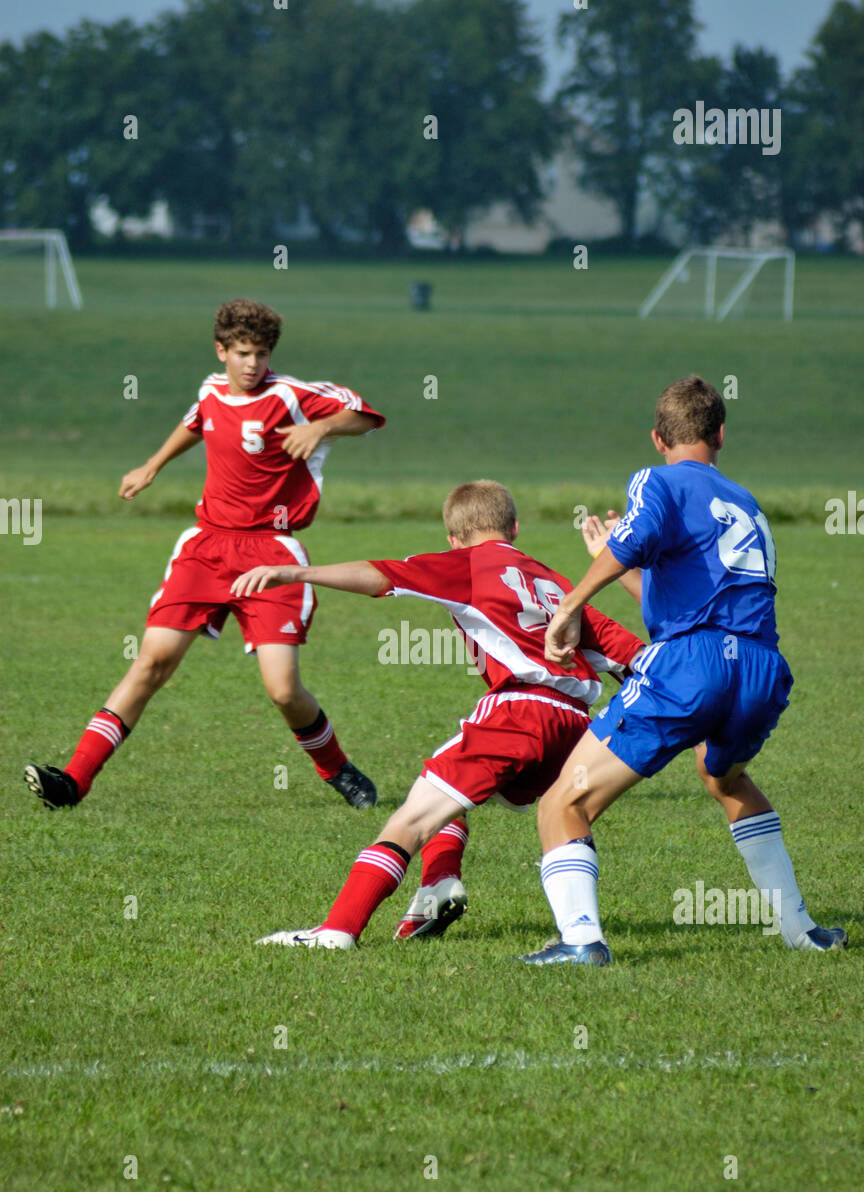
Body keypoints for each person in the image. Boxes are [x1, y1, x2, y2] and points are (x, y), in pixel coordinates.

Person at [229, 479, 644, 950]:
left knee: (411, 819)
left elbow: (379, 576)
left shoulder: (465, 563)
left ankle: (337, 931)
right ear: (515, 527)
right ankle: (446, 887)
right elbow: (628, 654)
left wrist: (297, 574)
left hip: (519, 712)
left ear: (453, 538)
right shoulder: (556, 583)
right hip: (574, 725)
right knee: (467, 796)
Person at [526, 375, 846, 966]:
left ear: (657, 438)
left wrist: (571, 604)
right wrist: (611, 557)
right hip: (759, 669)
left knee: (560, 805)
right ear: (721, 434)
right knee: (724, 779)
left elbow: (641, 536)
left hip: (692, 666)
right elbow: (677, 598)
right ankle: (802, 930)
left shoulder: (656, 480)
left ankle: (580, 941)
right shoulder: (744, 501)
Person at [24, 298, 384, 813]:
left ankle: (337, 769)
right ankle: (74, 781)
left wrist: (321, 427)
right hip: (207, 547)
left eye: (261, 353)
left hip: (271, 554)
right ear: (221, 351)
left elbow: (368, 416)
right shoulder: (212, 390)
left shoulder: (293, 395)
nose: (252, 363)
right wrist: (151, 466)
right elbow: (198, 421)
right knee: (151, 662)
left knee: (283, 690)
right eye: (242, 353)